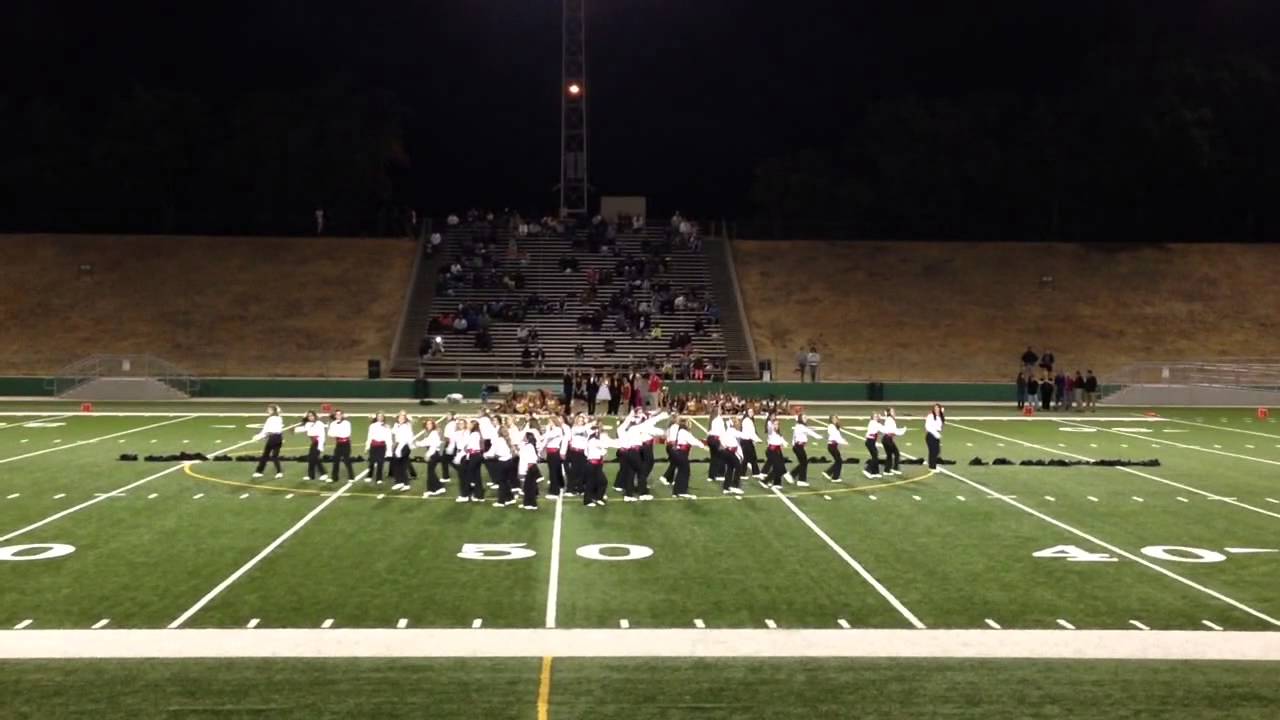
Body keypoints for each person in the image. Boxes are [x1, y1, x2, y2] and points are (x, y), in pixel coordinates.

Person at [670, 417, 706, 500]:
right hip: (681, 454)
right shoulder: (684, 432)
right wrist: (702, 446)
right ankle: (682, 491)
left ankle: (676, 491)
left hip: (679, 454)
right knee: (685, 472)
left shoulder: (681, 431)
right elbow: (693, 440)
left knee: (681, 472)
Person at [484, 430, 517, 507]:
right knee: (506, 481)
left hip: (502, 463)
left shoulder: (498, 441)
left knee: (502, 482)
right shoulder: (507, 440)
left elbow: (491, 453)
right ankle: (510, 499)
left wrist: (484, 455)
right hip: (510, 462)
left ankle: (501, 501)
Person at [252, 404, 286, 479]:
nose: (268, 411)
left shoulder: (270, 419)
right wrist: (263, 436)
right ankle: (279, 472)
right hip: (278, 438)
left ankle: (259, 472)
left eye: (269, 410)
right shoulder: (279, 418)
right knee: (274, 455)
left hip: (273, 438)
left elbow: (266, 430)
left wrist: (257, 437)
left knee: (266, 455)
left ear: (273, 411)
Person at [416, 419, 448, 497]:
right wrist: (418, 443)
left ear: (433, 425)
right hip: (434, 454)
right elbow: (426, 441)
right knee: (431, 472)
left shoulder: (433, 433)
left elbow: (432, 445)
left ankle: (432, 490)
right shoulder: (431, 433)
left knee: (430, 472)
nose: (428, 425)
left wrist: (428, 455)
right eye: (427, 424)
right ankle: (439, 487)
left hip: (433, 454)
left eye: (430, 424)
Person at [294, 410, 328, 482]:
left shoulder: (319, 423)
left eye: (312, 416)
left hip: (319, 442)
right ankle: (311, 475)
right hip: (313, 443)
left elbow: (322, 435)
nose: (310, 417)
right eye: (309, 416)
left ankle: (324, 474)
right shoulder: (308, 424)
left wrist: (320, 447)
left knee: (314, 457)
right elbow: (304, 429)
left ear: (315, 416)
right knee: (311, 458)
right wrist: (295, 430)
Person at [456, 420, 485, 503]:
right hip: (474, 456)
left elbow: (469, 446)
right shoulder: (474, 433)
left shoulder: (474, 434)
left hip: (474, 456)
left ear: (473, 426)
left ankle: (465, 494)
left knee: (467, 475)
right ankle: (478, 495)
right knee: (476, 476)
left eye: (469, 424)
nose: (468, 425)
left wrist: (465, 451)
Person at [790, 414, 822, 487]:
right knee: (804, 463)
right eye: (804, 417)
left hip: (797, 446)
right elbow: (810, 432)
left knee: (803, 463)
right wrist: (819, 437)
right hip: (799, 447)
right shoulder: (801, 427)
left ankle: (792, 474)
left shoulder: (799, 426)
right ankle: (801, 480)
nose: (806, 418)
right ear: (800, 419)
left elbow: (794, 436)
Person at [389, 411, 415, 492]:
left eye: (402, 418)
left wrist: (398, 450)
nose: (400, 419)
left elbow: (404, 439)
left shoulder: (406, 426)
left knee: (401, 465)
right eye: (399, 417)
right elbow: (393, 432)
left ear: (405, 419)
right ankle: (399, 482)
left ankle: (406, 484)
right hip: (398, 446)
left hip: (403, 446)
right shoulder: (397, 425)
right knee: (396, 464)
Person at [541, 416, 566, 497]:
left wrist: (548, 429)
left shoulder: (557, 430)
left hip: (554, 452)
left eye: (550, 422)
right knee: (556, 470)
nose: (549, 423)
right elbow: (544, 438)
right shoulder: (553, 430)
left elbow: (548, 436)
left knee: (553, 472)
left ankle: (554, 491)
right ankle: (560, 485)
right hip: (551, 453)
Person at [327, 410, 355, 483]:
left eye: (340, 414)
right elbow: (329, 434)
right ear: (335, 416)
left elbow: (347, 434)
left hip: (346, 444)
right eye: (337, 414)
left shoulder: (347, 423)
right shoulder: (333, 423)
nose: (338, 416)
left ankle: (351, 476)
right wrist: (338, 433)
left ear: (342, 415)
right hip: (338, 444)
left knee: (347, 460)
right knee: (335, 460)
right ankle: (334, 477)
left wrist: (336, 433)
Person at [364, 412, 390, 484]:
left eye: (381, 416)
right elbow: (369, 437)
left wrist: (389, 450)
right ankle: (369, 476)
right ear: (376, 417)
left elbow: (388, 438)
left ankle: (379, 478)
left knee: (380, 462)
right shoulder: (372, 426)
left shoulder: (387, 426)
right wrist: (367, 446)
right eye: (378, 416)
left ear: (383, 417)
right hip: (374, 446)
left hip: (382, 446)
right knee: (372, 461)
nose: (380, 417)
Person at [518, 431, 541, 510]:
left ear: (527, 438)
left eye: (525, 436)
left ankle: (532, 504)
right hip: (530, 468)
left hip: (529, 468)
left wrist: (527, 469)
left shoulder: (528, 447)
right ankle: (527, 503)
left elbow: (530, 459)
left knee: (529, 487)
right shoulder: (528, 446)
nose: (523, 437)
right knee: (528, 487)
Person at [739, 408, 762, 479]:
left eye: (752, 411)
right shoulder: (747, 421)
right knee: (746, 458)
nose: (752, 413)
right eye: (750, 412)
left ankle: (756, 472)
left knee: (753, 457)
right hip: (746, 441)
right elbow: (751, 433)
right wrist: (757, 440)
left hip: (748, 441)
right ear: (747, 413)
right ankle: (741, 474)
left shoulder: (749, 420)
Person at [823, 416, 847, 482]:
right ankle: (835, 478)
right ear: (831, 420)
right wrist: (843, 442)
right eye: (834, 419)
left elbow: (838, 436)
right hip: (832, 446)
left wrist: (842, 440)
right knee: (839, 461)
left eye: (836, 418)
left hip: (833, 446)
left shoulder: (834, 426)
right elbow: (835, 436)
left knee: (838, 461)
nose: (835, 420)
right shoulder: (831, 426)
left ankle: (828, 472)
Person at [706, 406, 726, 482]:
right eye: (720, 410)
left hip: (710, 439)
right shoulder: (719, 419)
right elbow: (722, 432)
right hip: (716, 439)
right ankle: (719, 474)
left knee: (714, 458)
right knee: (721, 457)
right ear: (717, 411)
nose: (721, 411)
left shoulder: (712, 419)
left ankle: (711, 475)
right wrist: (723, 443)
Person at [880, 408, 903, 476]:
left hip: (886, 439)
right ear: (889, 413)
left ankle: (888, 470)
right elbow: (894, 431)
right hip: (887, 439)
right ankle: (893, 469)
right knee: (896, 453)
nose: (894, 412)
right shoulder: (890, 419)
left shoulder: (889, 419)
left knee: (890, 455)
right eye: (892, 411)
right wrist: (902, 431)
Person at [925, 404, 946, 470]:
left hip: (936, 435)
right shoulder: (930, 416)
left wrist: (941, 413)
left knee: (937, 451)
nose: (936, 410)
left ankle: (932, 464)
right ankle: (932, 467)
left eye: (938, 408)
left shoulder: (939, 417)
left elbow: (940, 426)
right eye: (935, 408)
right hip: (931, 435)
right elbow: (928, 427)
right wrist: (936, 434)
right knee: (933, 451)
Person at [863, 412, 883, 479]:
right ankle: (867, 470)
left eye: (876, 416)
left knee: (875, 456)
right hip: (870, 442)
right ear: (872, 417)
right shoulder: (873, 423)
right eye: (875, 416)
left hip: (871, 442)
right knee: (875, 456)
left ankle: (875, 472)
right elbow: (882, 428)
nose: (876, 417)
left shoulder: (874, 423)